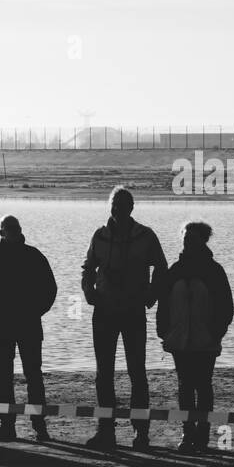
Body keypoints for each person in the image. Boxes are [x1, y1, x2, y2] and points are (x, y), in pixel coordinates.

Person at [80, 186, 168, 450]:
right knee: (103, 374)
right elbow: (88, 266)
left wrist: (152, 294)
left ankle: (141, 433)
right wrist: (88, 290)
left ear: (131, 208)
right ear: (110, 207)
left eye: (122, 205)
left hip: (132, 311)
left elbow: (161, 266)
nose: (117, 210)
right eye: (114, 205)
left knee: (137, 372)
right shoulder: (100, 235)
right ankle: (105, 431)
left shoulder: (145, 235)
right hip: (104, 311)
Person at [0, 215, 57, 443]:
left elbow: (50, 289)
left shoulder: (34, 256)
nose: (13, 231)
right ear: (1, 232)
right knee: (4, 378)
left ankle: (40, 427)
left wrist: (35, 311)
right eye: (8, 228)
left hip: (28, 325)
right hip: (1, 327)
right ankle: (7, 426)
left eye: (16, 228)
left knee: (34, 377)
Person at [156, 222, 234, 454]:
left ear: (203, 240)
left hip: (205, 340)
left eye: (192, 238)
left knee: (203, 384)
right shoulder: (176, 270)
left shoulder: (214, 271)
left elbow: (226, 307)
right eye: (185, 238)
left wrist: (216, 333)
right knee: (185, 385)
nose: (188, 242)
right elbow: (164, 303)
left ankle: (202, 431)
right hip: (180, 340)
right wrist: (164, 331)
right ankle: (187, 430)